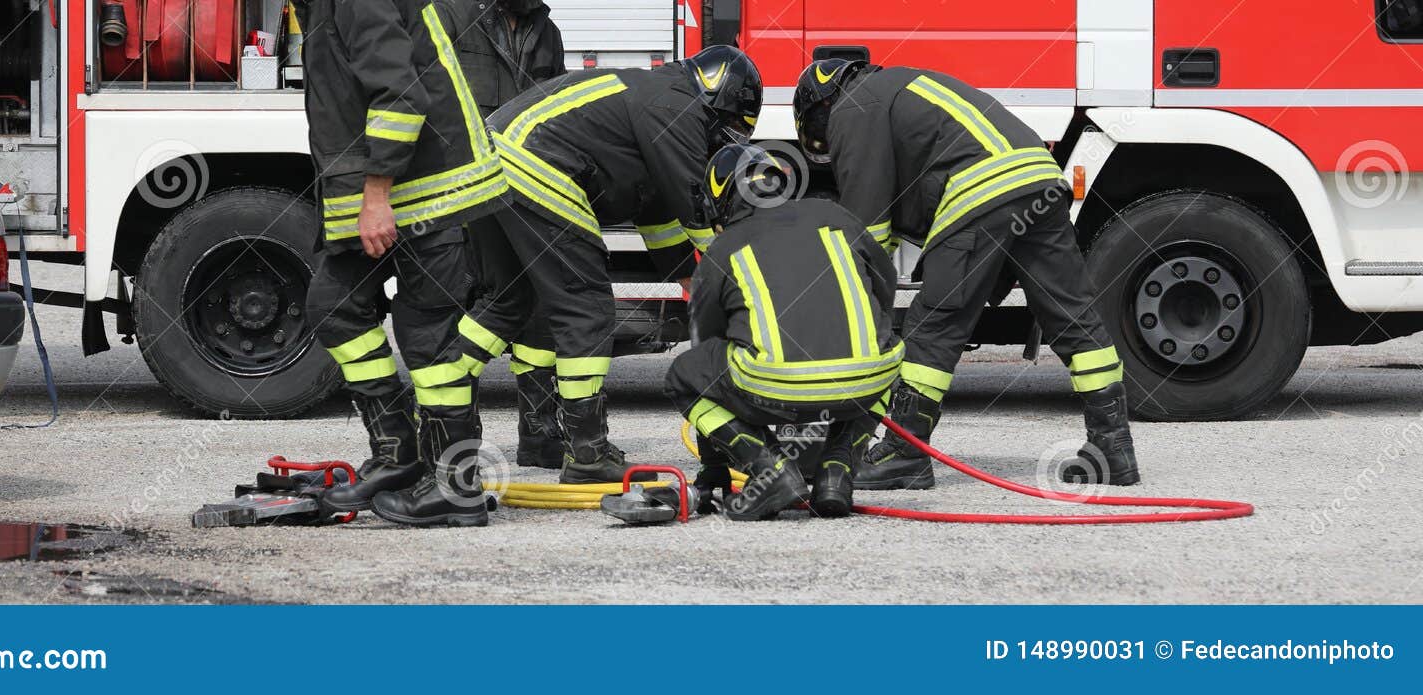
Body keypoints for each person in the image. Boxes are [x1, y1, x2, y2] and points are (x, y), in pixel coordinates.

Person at [792, 59, 1141, 490]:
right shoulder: (902, 86)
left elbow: (871, 226)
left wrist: (857, 301)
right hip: (1039, 181)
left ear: (819, 107)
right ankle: (1114, 447)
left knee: (937, 321)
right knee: (1073, 315)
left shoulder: (853, 108)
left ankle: (907, 453)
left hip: (981, 192)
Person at [433, 45, 761, 490]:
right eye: (723, 132)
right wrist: (741, 284)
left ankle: (476, 424)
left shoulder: (654, 99)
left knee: (512, 299)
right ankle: (588, 452)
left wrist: (692, 282)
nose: (716, 144)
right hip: (534, 159)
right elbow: (693, 206)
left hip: (491, 158)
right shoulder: (677, 102)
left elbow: (661, 220)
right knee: (585, 307)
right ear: (718, 96)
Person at [298, 0, 509, 528]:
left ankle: (456, 488)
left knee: (428, 338)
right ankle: (398, 453)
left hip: (427, 197)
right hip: (408, 191)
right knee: (334, 306)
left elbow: (400, 94)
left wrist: (376, 194)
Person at [667, 144, 904, 520]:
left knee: (683, 375)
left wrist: (713, 468)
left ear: (721, 202)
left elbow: (706, 347)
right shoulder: (835, 216)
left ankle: (770, 471)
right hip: (866, 381)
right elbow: (885, 286)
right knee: (882, 352)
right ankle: (836, 473)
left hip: (771, 386)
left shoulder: (724, 247)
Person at [438, 0, 571, 471]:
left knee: (537, 305)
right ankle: (457, 432)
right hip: (462, 187)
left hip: (526, 188)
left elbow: (556, 109)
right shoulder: (454, 17)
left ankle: (539, 433)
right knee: (465, 303)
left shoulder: (547, 30)